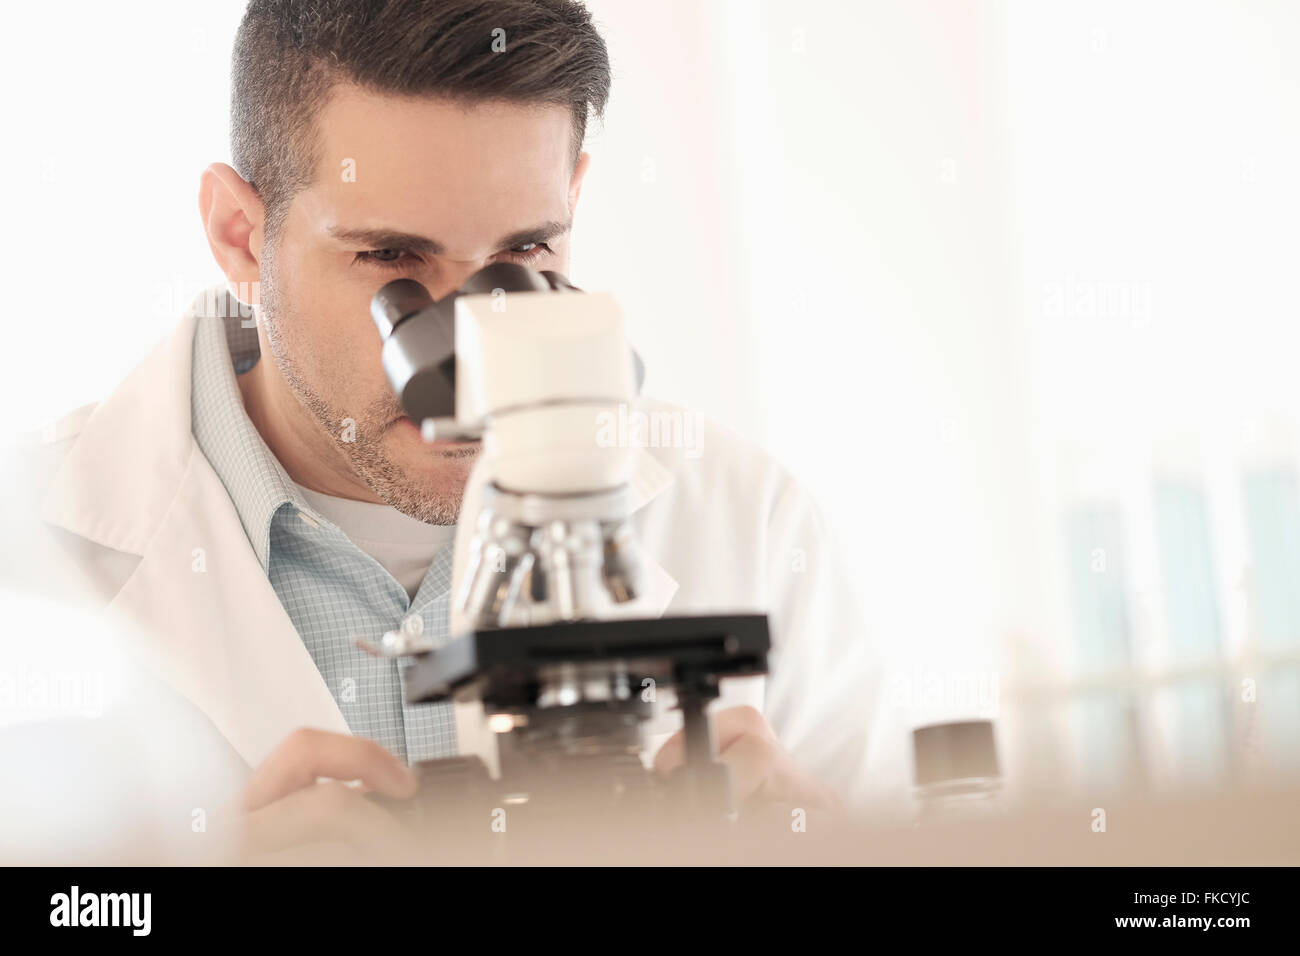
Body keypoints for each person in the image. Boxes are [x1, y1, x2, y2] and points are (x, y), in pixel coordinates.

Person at [3, 0, 892, 861]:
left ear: (572, 199)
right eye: (392, 261)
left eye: (523, 256)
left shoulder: (751, 524)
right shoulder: (29, 568)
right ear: (241, 236)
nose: (473, 343)